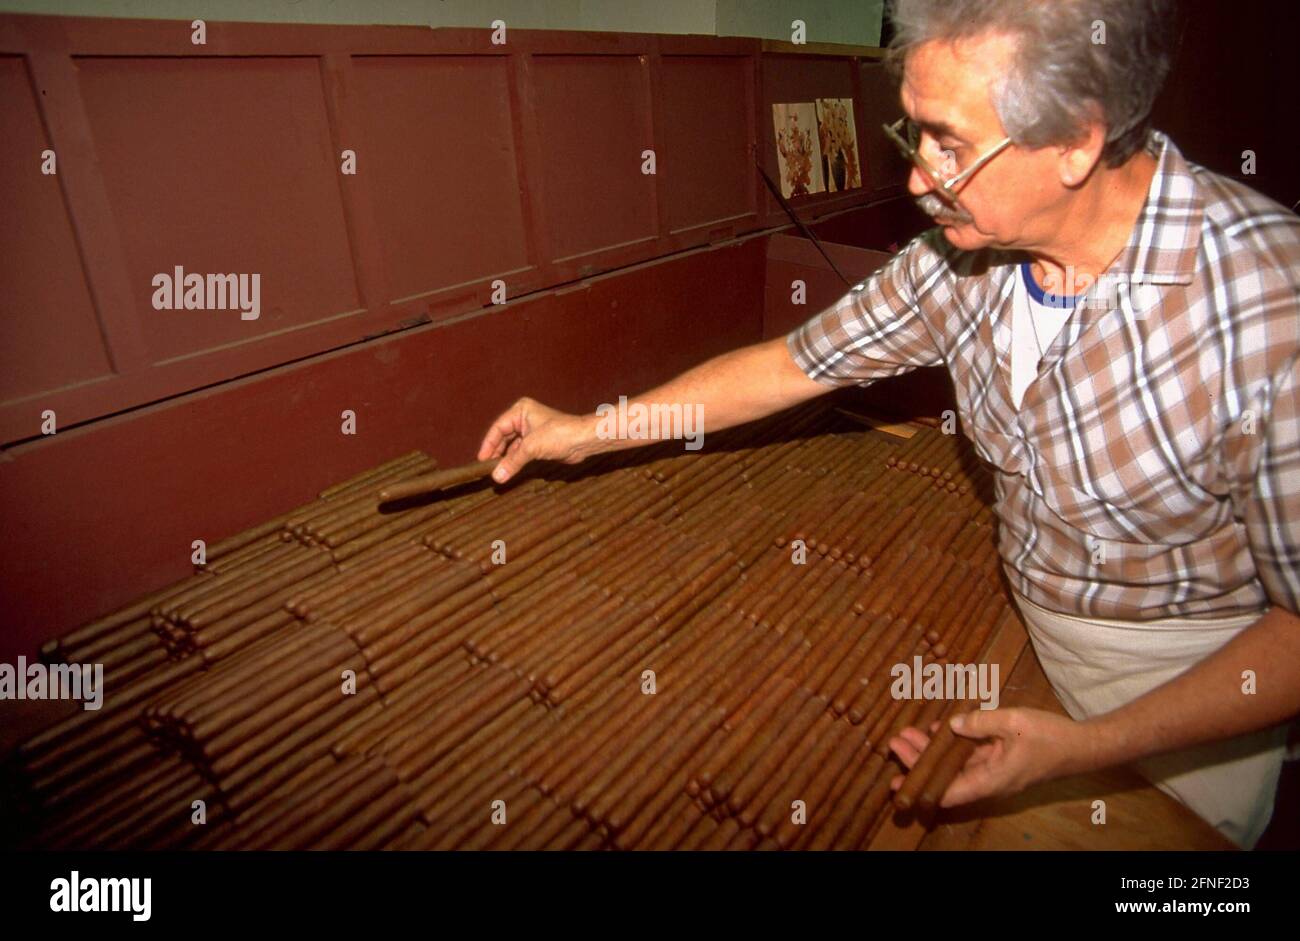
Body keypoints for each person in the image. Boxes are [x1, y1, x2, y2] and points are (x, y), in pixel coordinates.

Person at [475, 0, 1300, 848]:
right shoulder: (961, 259)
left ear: (1078, 143)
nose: (917, 177)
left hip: (1191, 707)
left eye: (949, 144)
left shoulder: (1270, 307)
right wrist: (584, 429)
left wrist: (1084, 748)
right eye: (916, 136)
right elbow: (788, 366)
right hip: (1040, 646)